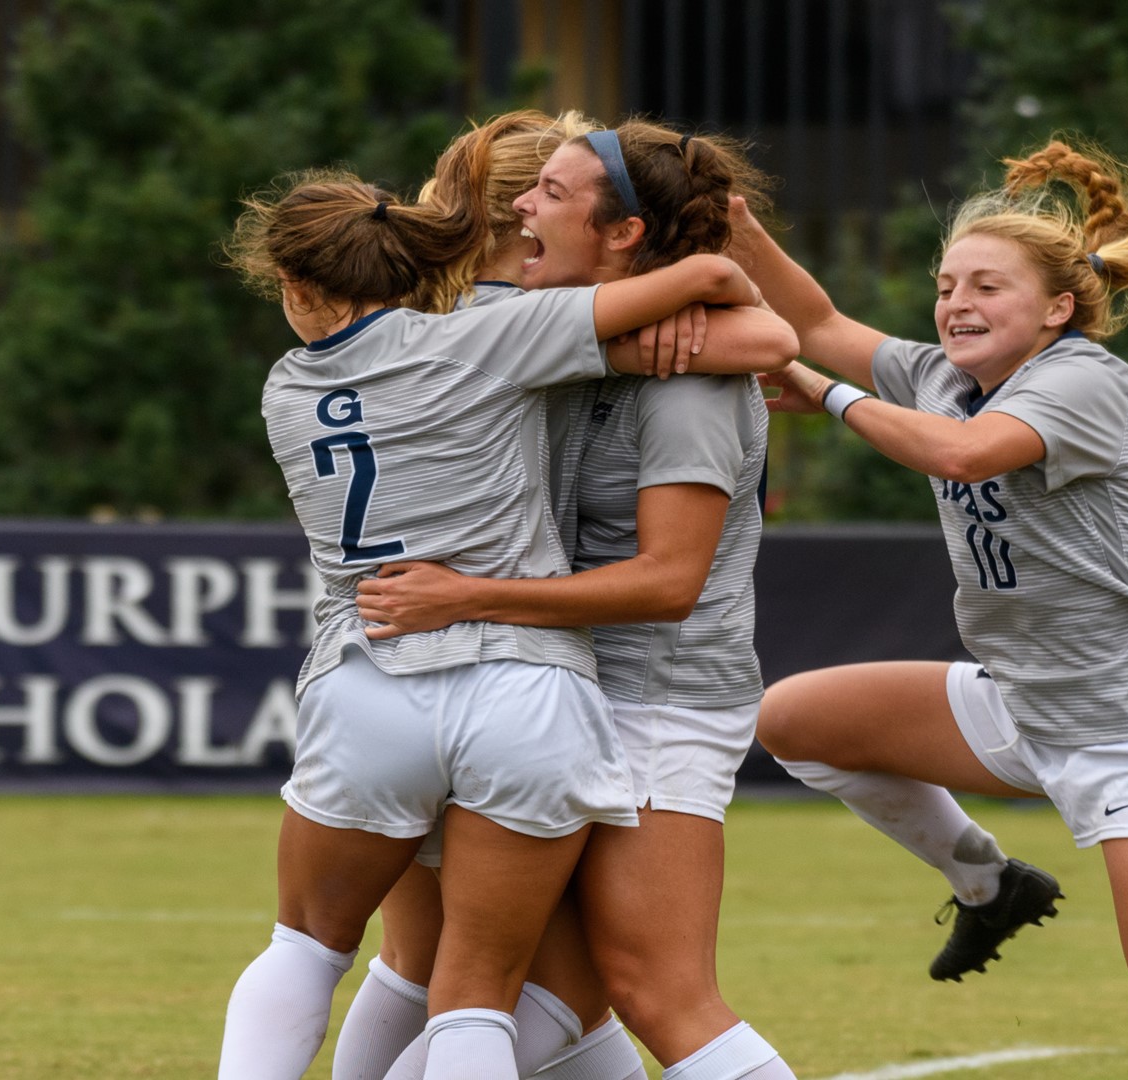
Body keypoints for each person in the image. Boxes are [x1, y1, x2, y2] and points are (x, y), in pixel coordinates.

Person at [731, 139, 1128, 1080]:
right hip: (1032, 702)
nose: (957, 303)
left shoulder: (1086, 379)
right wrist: (739, 230)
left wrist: (820, 392)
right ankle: (987, 884)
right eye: (948, 285)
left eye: (988, 286)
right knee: (795, 723)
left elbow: (961, 455)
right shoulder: (948, 376)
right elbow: (820, 318)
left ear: (1059, 309)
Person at [216, 148, 769, 1080]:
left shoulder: (284, 389)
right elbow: (745, 322)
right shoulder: (488, 339)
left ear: (289, 281)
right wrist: (688, 316)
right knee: (477, 994)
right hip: (528, 689)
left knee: (309, 944)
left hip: (371, 674)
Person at [353, 119, 800, 1080]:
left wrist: (466, 597)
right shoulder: (566, 330)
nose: (521, 208)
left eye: (551, 194)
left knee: (654, 990)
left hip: (657, 698)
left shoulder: (695, 378)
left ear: (626, 233)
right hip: (555, 687)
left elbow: (669, 584)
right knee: (520, 985)